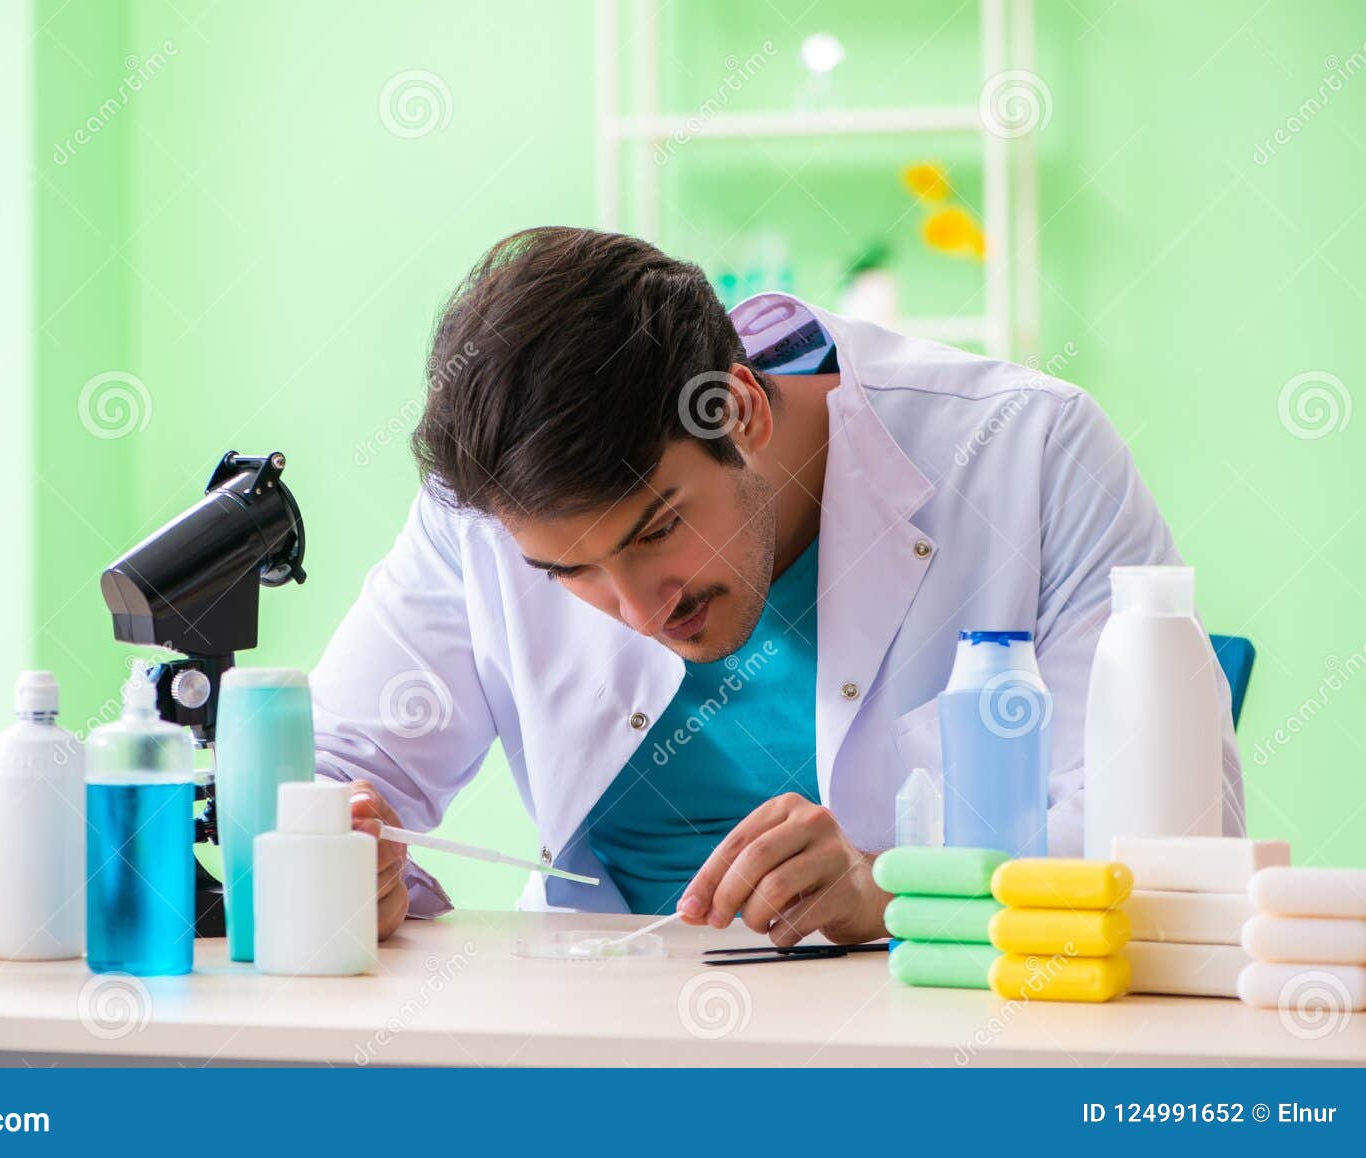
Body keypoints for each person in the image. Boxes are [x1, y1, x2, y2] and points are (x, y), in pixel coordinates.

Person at [316, 227, 1244, 946]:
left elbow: (1177, 832)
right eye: (570, 575)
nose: (640, 612)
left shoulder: (1027, 452)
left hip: (928, 1040)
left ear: (743, 410)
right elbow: (329, 771)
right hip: (605, 1034)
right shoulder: (482, 509)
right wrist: (355, 868)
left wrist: (894, 886)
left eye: (659, 530)